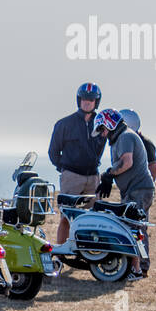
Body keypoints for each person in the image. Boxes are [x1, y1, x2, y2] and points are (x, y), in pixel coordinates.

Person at [94, 108, 155, 280]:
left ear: (109, 124)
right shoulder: (122, 137)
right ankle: (140, 268)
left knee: (132, 229)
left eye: (102, 129)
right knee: (136, 228)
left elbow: (127, 162)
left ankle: (135, 270)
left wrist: (109, 174)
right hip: (136, 189)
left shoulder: (125, 136)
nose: (102, 134)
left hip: (138, 190)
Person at [48, 82, 106, 244]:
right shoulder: (64, 124)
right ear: (78, 100)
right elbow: (53, 152)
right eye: (84, 99)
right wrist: (66, 169)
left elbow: (100, 150)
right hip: (71, 177)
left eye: (91, 100)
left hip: (94, 178)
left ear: (96, 102)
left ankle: (87, 251)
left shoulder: (101, 126)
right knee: (66, 217)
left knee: (93, 217)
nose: (87, 102)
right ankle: (61, 254)